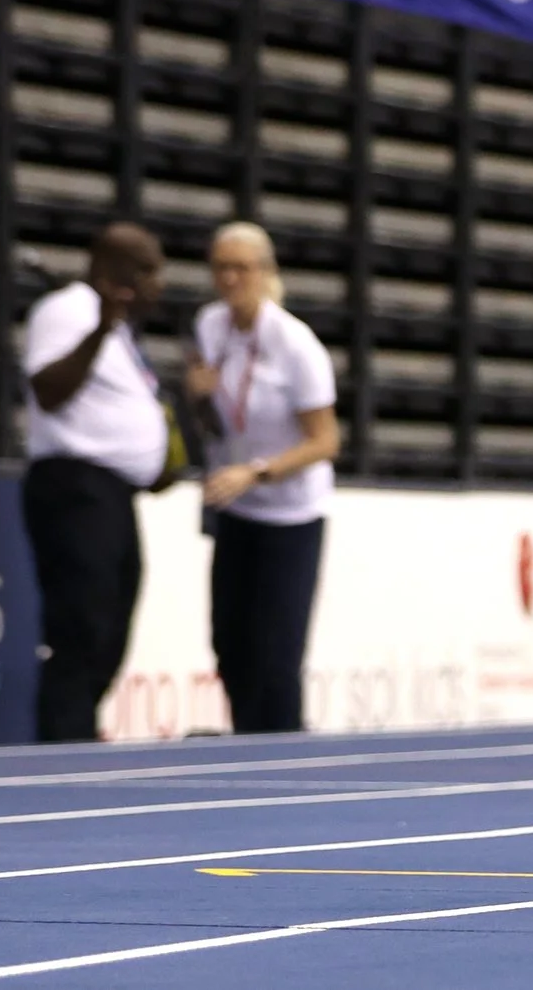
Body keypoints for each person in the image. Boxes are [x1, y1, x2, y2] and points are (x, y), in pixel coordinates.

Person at [184, 222, 337, 735]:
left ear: (265, 273)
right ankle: (248, 745)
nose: (230, 279)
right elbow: (216, 424)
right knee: (229, 643)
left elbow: (325, 441)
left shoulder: (295, 344)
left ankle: (284, 748)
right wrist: (199, 397)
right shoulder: (210, 327)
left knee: (275, 653)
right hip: (237, 510)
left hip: (291, 513)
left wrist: (259, 472)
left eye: (241, 268)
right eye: (220, 268)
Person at [20, 223, 171, 742]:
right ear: (114, 271)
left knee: (108, 627)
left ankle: (76, 732)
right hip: (74, 489)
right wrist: (100, 330)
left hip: (110, 495)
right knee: (81, 628)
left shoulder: (118, 328)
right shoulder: (68, 311)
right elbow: (48, 389)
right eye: (148, 269)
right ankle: (61, 746)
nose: (159, 283)